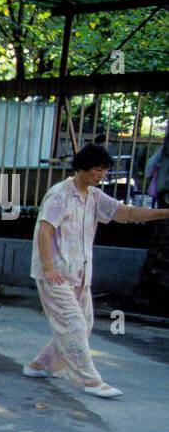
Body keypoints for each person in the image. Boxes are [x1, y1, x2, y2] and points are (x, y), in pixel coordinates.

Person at [24, 143, 169, 397]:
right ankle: (89, 381)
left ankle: (40, 364)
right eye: (97, 169)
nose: (101, 175)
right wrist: (47, 267)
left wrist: (165, 213)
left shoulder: (93, 196)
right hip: (55, 272)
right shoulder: (60, 194)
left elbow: (128, 213)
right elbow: (44, 230)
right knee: (74, 324)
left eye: (104, 170)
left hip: (79, 273)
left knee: (84, 323)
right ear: (82, 168)